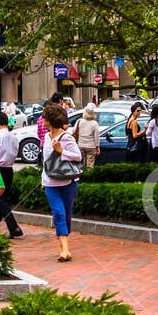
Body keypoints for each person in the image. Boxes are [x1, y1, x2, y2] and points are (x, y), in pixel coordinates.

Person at [41, 99, 82, 262]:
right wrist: (43, 181)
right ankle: (64, 249)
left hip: (67, 182)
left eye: (44, 118)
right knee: (58, 213)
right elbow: (46, 162)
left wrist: (62, 151)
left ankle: (63, 244)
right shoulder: (45, 136)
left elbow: (78, 156)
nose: (42, 121)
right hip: (51, 183)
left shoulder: (67, 137)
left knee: (66, 215)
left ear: (50, 121)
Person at [0, 110, 24, 237]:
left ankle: (14, 227)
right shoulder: (14, 137)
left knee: (0, 200)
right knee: (1, 200)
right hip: (9, 170)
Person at [74, 103, 101, 171]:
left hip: (80, 145)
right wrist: (97, 147)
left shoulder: (79, 121)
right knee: (90, 163)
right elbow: (96, 137)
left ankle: (81, 175)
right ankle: (89, 176)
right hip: (91, 146)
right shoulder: (94, 123)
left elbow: (73, 131)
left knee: (80, 163)